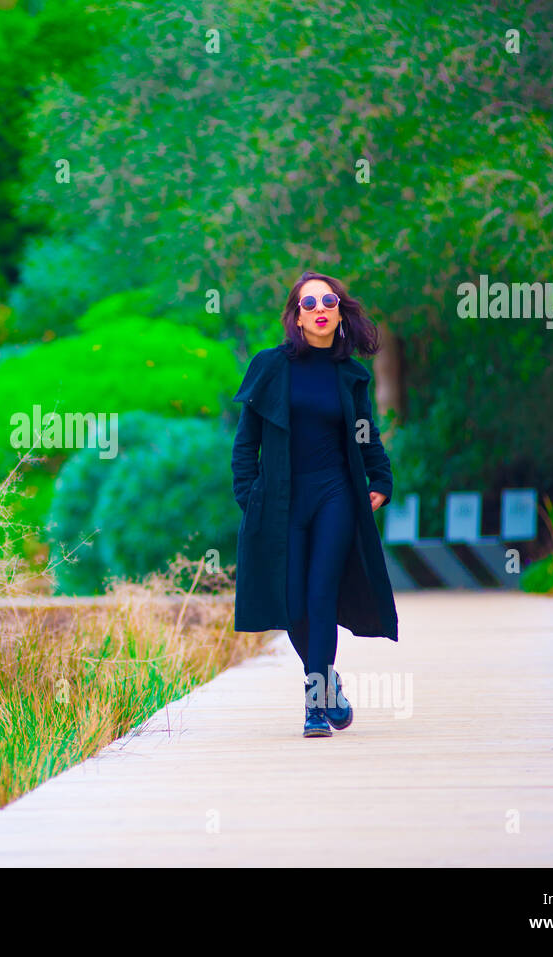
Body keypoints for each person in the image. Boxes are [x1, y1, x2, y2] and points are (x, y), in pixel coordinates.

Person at [230, 271, 395, 738]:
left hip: (335, 495)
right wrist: (249, 496)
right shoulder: (268, 367)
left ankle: (316, 703)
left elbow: (366, 435)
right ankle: (328, 681)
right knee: (295, 599)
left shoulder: (351, 376)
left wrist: (380, 477)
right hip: (281, 498)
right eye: (309, 303)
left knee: (322, 592)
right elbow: (246, 445)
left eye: (328, 301)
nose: (320, 308)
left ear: (339, 311)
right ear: (296, 317)